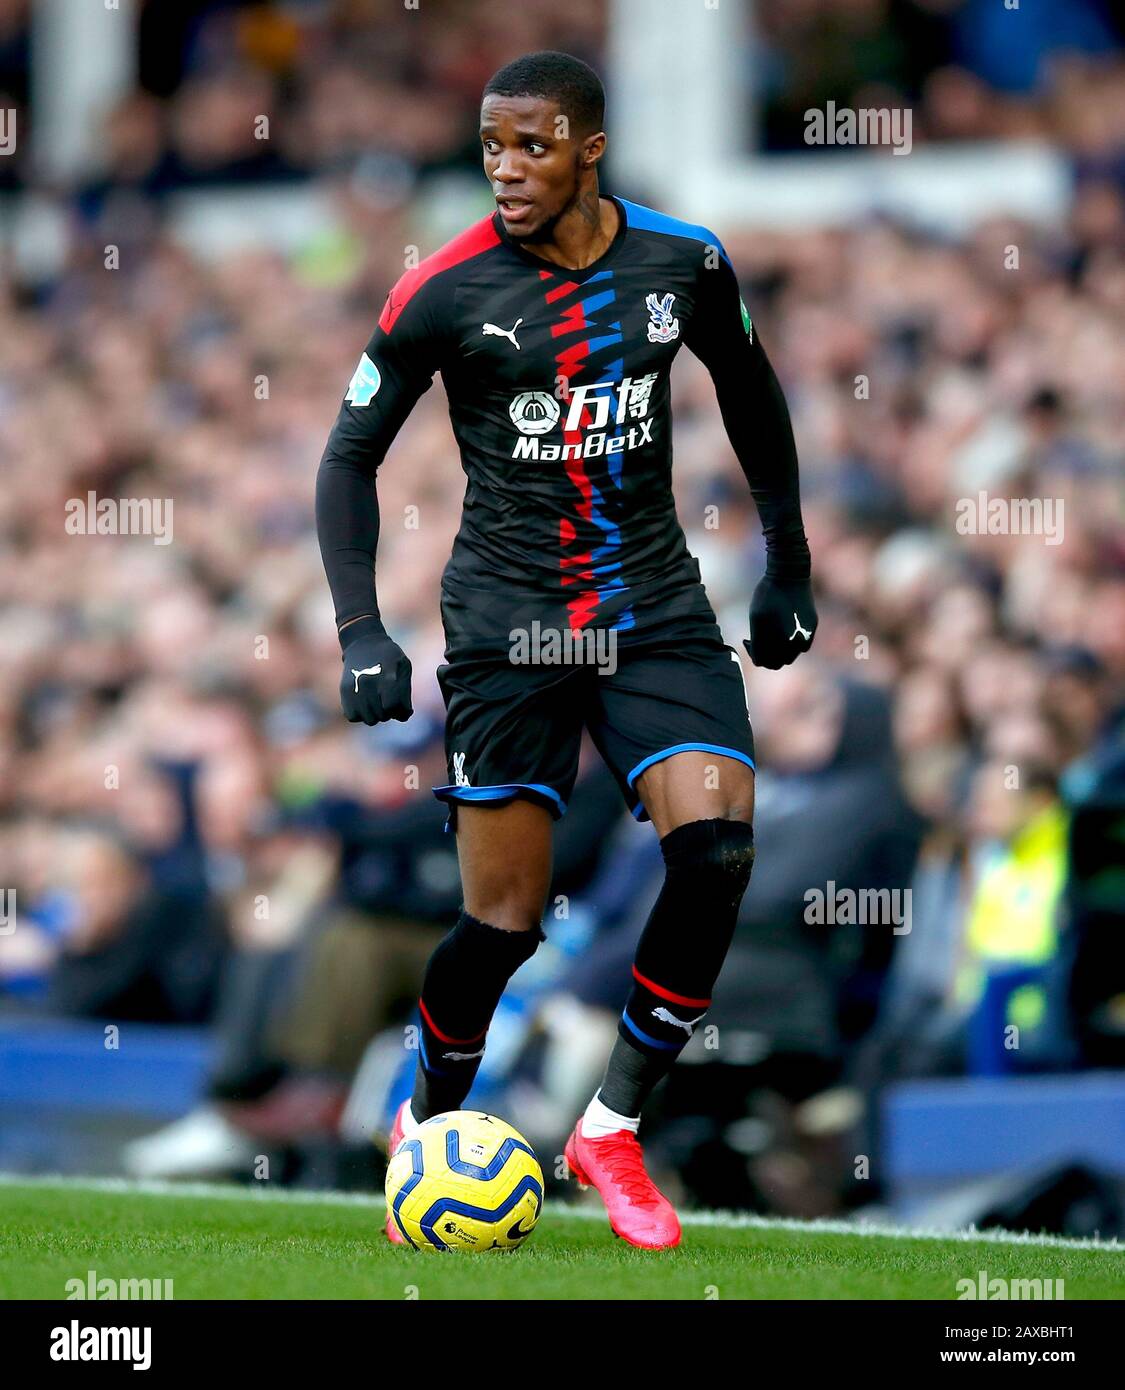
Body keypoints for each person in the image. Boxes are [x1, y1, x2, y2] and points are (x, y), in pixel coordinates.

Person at [315, 50, 817, 1249]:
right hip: (505, 625)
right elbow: (348, 459)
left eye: (531, 145)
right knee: (502, 921)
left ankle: (610, 1126)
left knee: (718, 853)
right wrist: (361, 630)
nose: (506, 169)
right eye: (491, 146)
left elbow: (753, 395)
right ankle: (429, 1127)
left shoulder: (681, 262)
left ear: (588, 146)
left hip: (651, 606)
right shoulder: (442, 289)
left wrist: (789, 562)